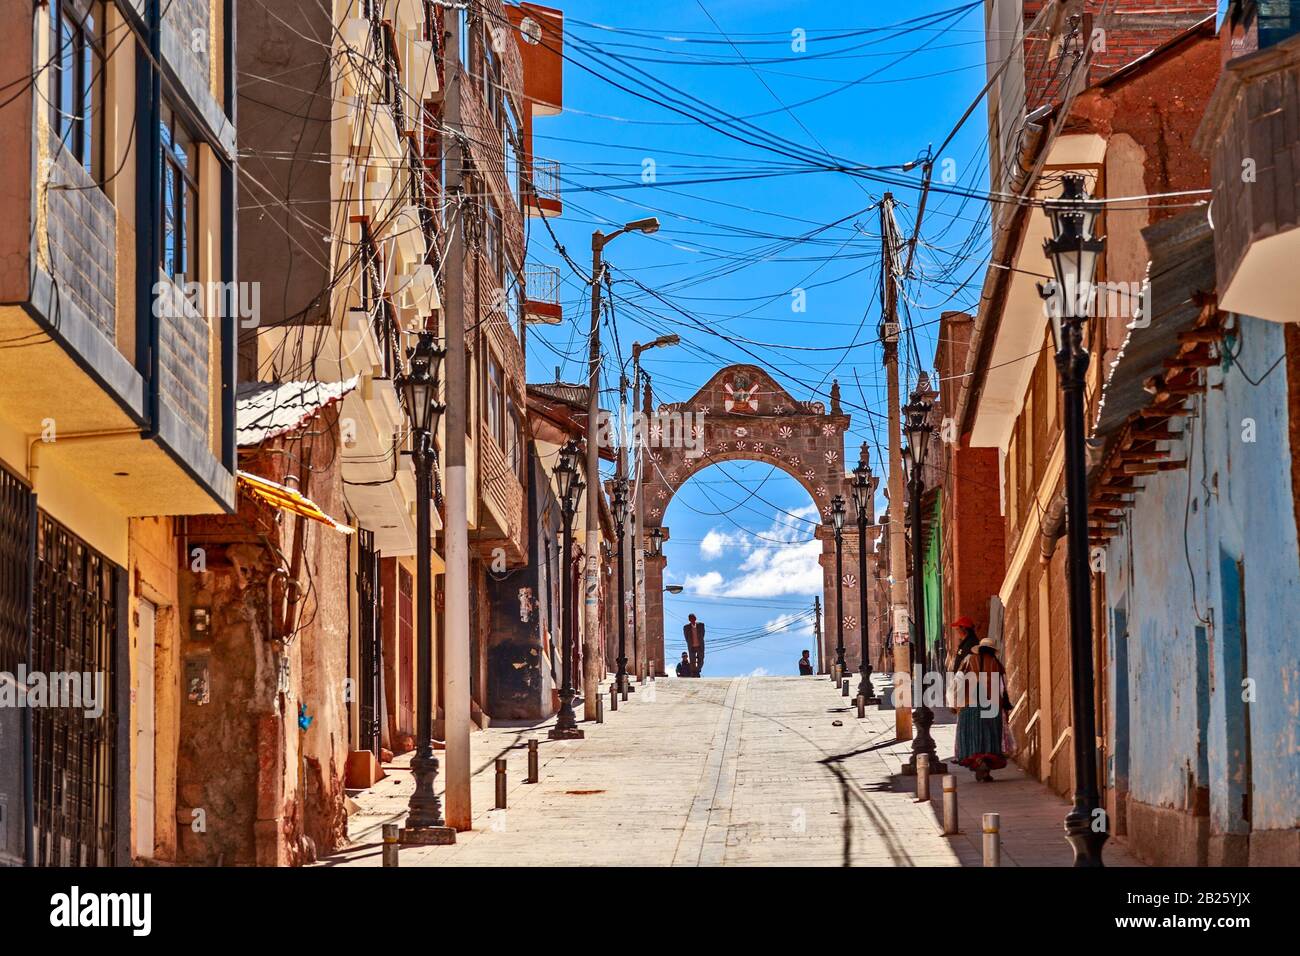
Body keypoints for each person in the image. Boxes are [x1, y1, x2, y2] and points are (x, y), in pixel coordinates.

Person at [954, 636, 1013, 782]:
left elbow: (958, 681)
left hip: (970, 705)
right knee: (989, 736)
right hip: (992, 705)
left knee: (973, 735)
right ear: (992, 651)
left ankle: (979, 762)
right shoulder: (996, 664)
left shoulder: (968, 660)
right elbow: (1001, 688)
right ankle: (985, 769)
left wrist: (956, 702)